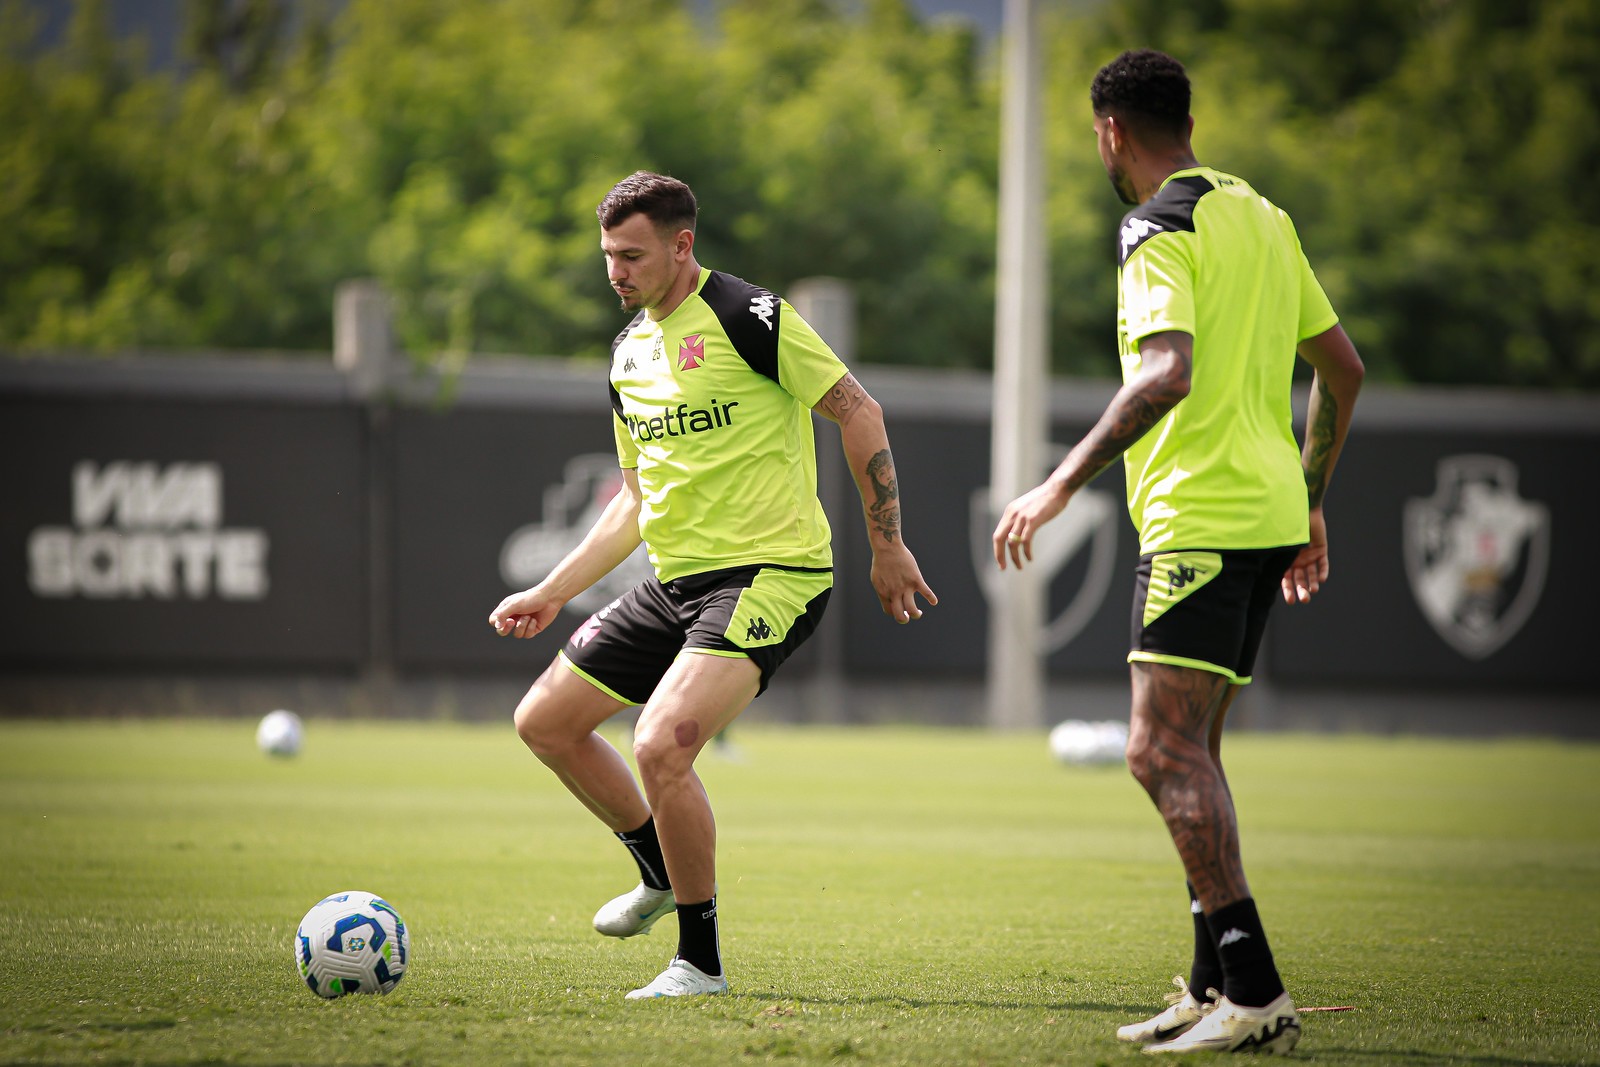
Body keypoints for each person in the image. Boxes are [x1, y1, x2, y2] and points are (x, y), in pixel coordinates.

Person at [992, 50, 1364, 1054]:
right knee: (1194, 750)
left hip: (1200, 516)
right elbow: (1341, 367)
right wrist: (1308, 492)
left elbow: (1165, 374)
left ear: (1111, 131)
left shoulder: (1157, 222)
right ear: (1183, 119)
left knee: (1155, 750)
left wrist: (1058, 483)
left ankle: (1253, 986)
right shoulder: (1262, 214)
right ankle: (1209, 989)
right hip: (1261, 512)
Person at [490, 171, 937, 1000]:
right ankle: (659, 872)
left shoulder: (747, 317)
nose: (616, 272)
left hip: (775, 572)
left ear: (682, 244)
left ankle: (699, 962)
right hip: (677, 582)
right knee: (545, 722)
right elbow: (634, 498)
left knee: (660, 743)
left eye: (632, 254)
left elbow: (859, 409)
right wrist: (553, 589)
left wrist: (887, 544)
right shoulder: (628, 352)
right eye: (608, 256)